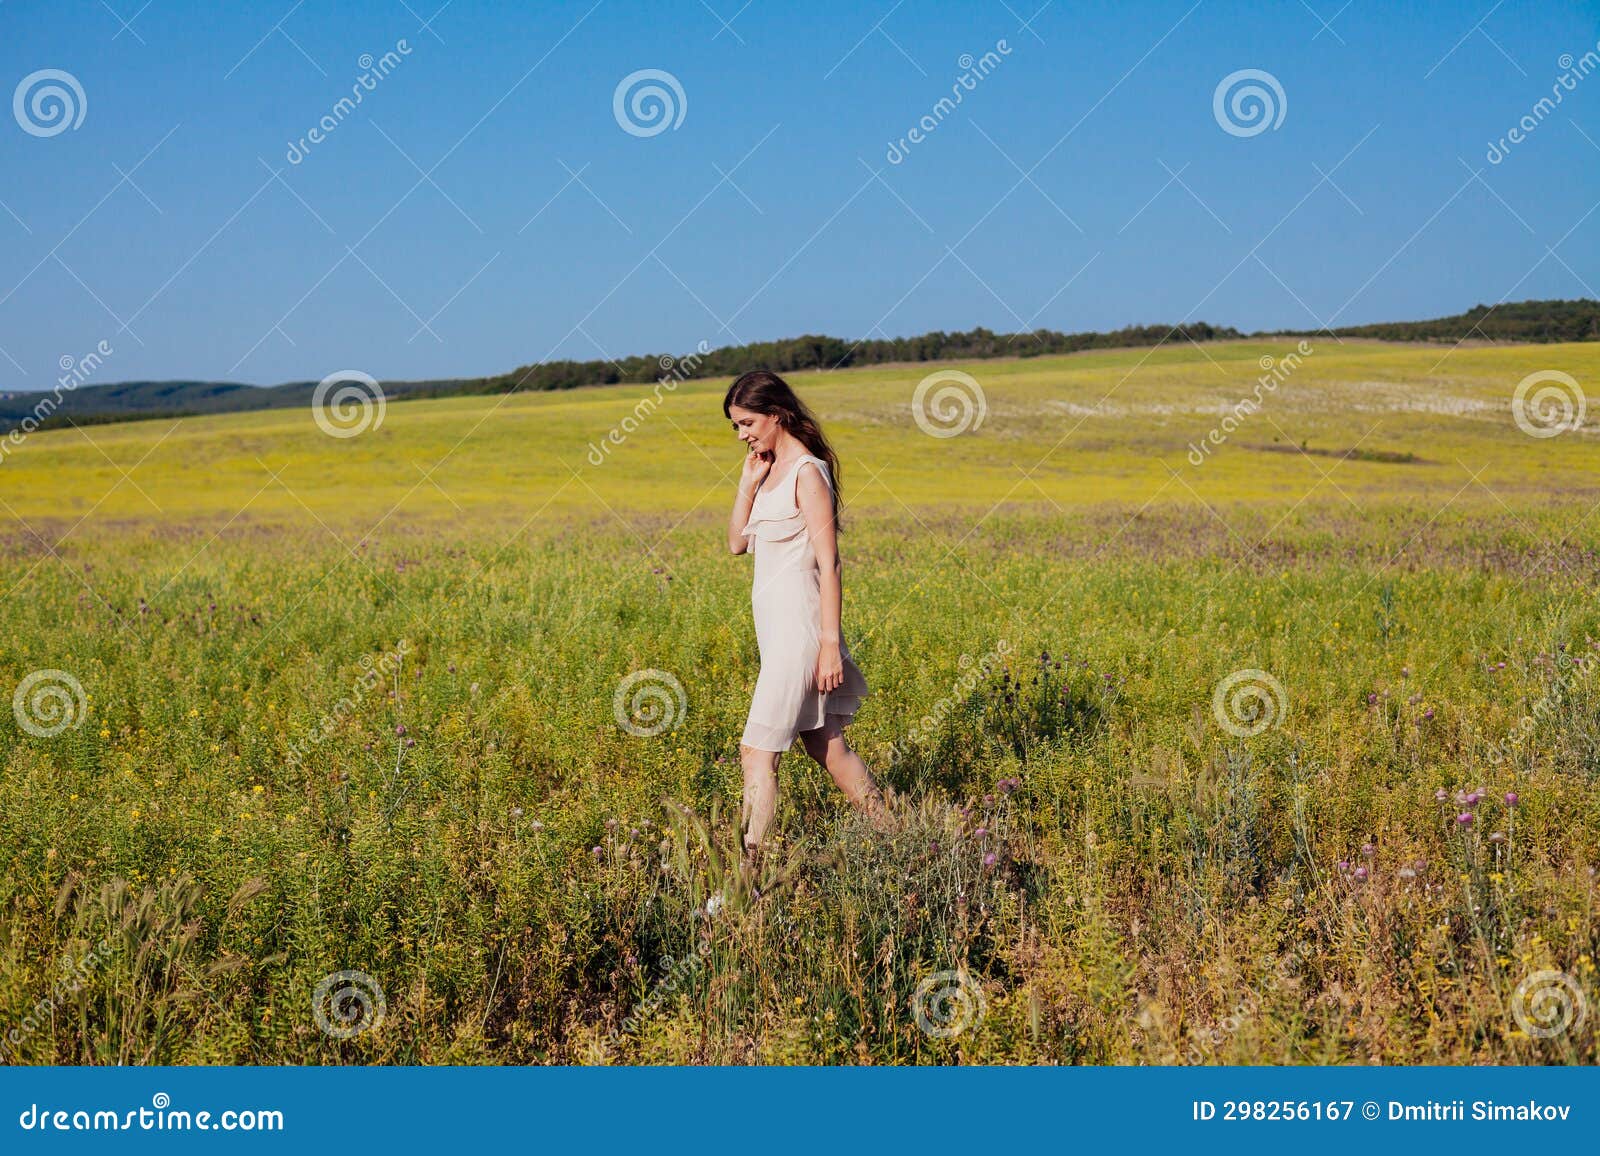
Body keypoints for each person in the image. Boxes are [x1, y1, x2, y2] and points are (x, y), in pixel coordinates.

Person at [724, 370, 889, 855]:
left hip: (801, 634)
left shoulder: (808, 472)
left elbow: (829, 562)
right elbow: (736, 544)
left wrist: (830, 646)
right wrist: (747, 482)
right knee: (828, 747)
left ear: (777, 414)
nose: (743, 435)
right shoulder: (766, 470)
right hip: (775, 634)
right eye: (735, 426)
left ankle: (747, 872)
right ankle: (899, 834)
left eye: (748, 422)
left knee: (756, 753)